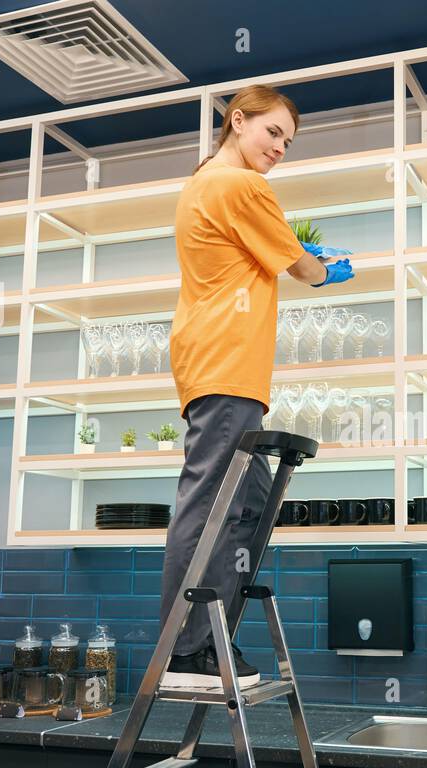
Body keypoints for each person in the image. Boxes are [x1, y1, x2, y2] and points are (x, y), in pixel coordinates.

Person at [159, 85, 354, 690]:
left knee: (246, 506)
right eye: (272, 132)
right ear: (237, 121)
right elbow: (301, 268)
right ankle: (186, 650)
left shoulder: (203, 183)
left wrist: (296, 253)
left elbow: (261, 254)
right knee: (212, 505)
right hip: (226, 363)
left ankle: (213, 640)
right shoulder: (241, 185)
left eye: (288, 142)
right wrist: (325, 270)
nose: (279, 149)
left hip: (219, 362)